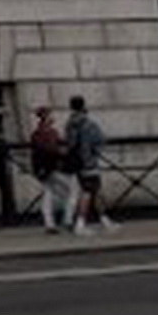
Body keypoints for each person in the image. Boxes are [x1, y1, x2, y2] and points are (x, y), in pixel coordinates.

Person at [28, 104, 76, 232]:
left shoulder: (38, 133)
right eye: (50, 115)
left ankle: (50, 224)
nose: (53, 117)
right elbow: (50, 149)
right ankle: (68, 220)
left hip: (42, 169)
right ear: (46, 117)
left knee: (48, 195)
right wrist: (63, 151)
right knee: (72, 192)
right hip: (52, 167)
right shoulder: (47, 133)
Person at [66, 96, 110, 232]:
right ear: (83, 105)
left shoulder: (69, 123)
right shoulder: (89, 123)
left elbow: (69, 143)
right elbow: (100, 140)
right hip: (89, 162)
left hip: (76, 162)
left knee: (94, 192)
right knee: (88, 193)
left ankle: (104, 220)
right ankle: (80, 223)